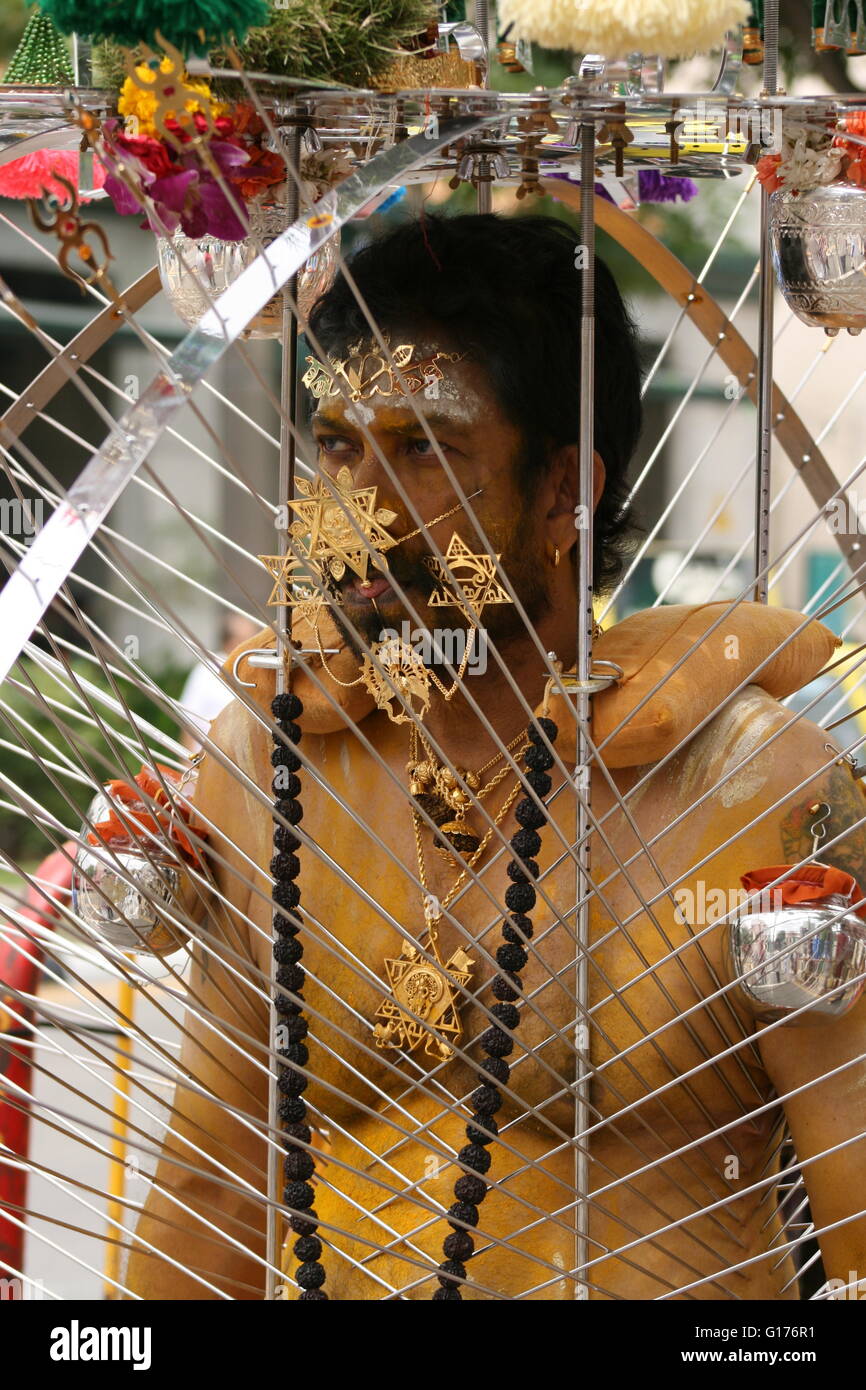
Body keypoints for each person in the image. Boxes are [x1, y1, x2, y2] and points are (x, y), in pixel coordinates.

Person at [126, 213, 866, 1300]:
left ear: (566, 490)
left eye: (425, 449)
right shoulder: (270, 767)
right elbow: (213, 1190)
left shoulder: (753, 790)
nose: (355, 515)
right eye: (336, 445)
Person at [177, 613, 258, 752]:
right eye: (246, 639)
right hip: (205, 762)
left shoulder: (258, 671)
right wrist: (187, 765)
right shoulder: (206, 671)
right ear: (230, 641)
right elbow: (189, 721)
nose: (254, 645)